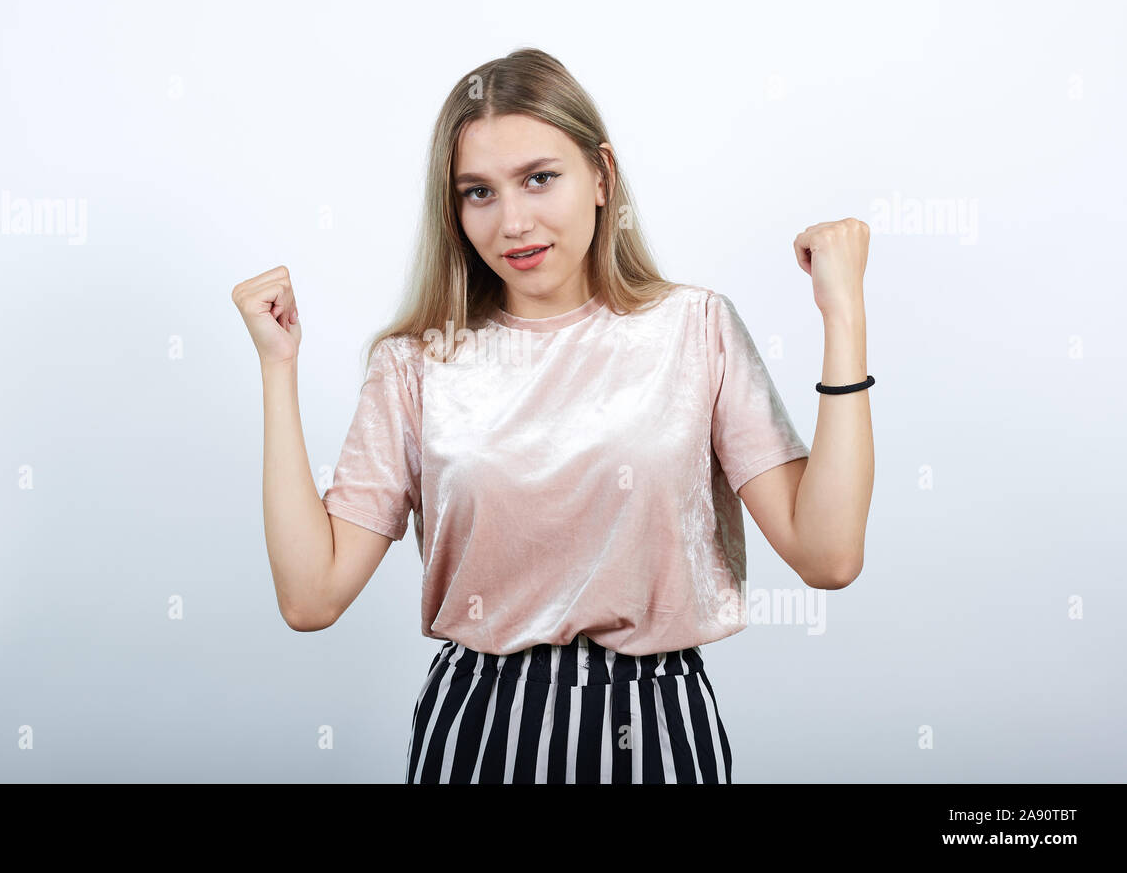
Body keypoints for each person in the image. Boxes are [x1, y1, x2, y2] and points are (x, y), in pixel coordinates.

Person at [233, 48, 875, 784]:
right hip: (479, 733)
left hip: (657, 731)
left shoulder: (694, 329)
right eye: (479, 192)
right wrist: (277, 366)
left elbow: (828, 557)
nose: (513, 221)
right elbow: (311, 596)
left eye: (540, 178)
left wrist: (844, 316)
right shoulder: (418, 364)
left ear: (601, 176)